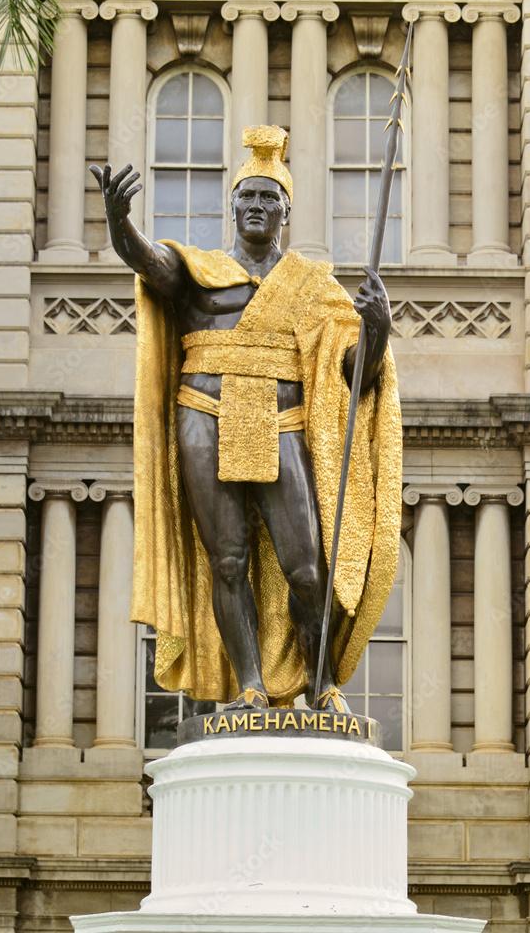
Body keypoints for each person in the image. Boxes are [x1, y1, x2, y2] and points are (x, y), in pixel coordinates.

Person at [91, 125, 403, 712]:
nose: (257, 207)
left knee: (308, 568)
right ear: (231, 207)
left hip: (281, 424)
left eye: (269, 198)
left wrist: (379, 330)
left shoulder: (313, 285)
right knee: (227, 560)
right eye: (248, 197)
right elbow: (149, 261)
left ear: (286, 211)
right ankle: (251, 686)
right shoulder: (199, 271)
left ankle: (321, 682)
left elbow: (352, 373)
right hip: (204, 417)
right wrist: (118, 224)